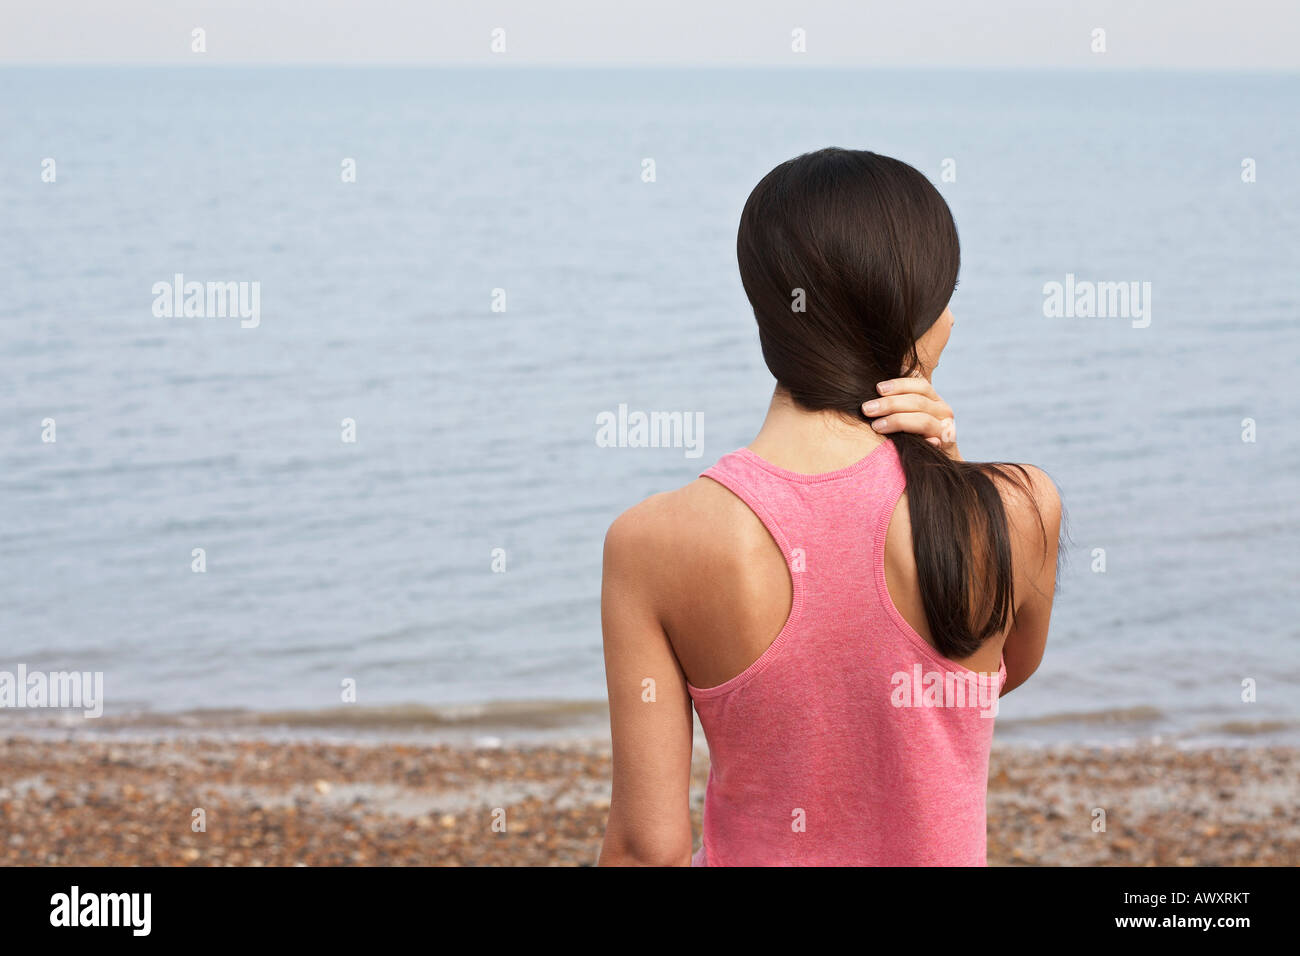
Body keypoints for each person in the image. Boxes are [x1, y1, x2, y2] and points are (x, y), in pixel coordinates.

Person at [598, 147, 1061, 866]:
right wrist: (946, 468)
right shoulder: (1020, 509)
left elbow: (644, 847)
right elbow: (992, 670)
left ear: (765, 308)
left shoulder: (653, 541)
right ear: (928, 321)